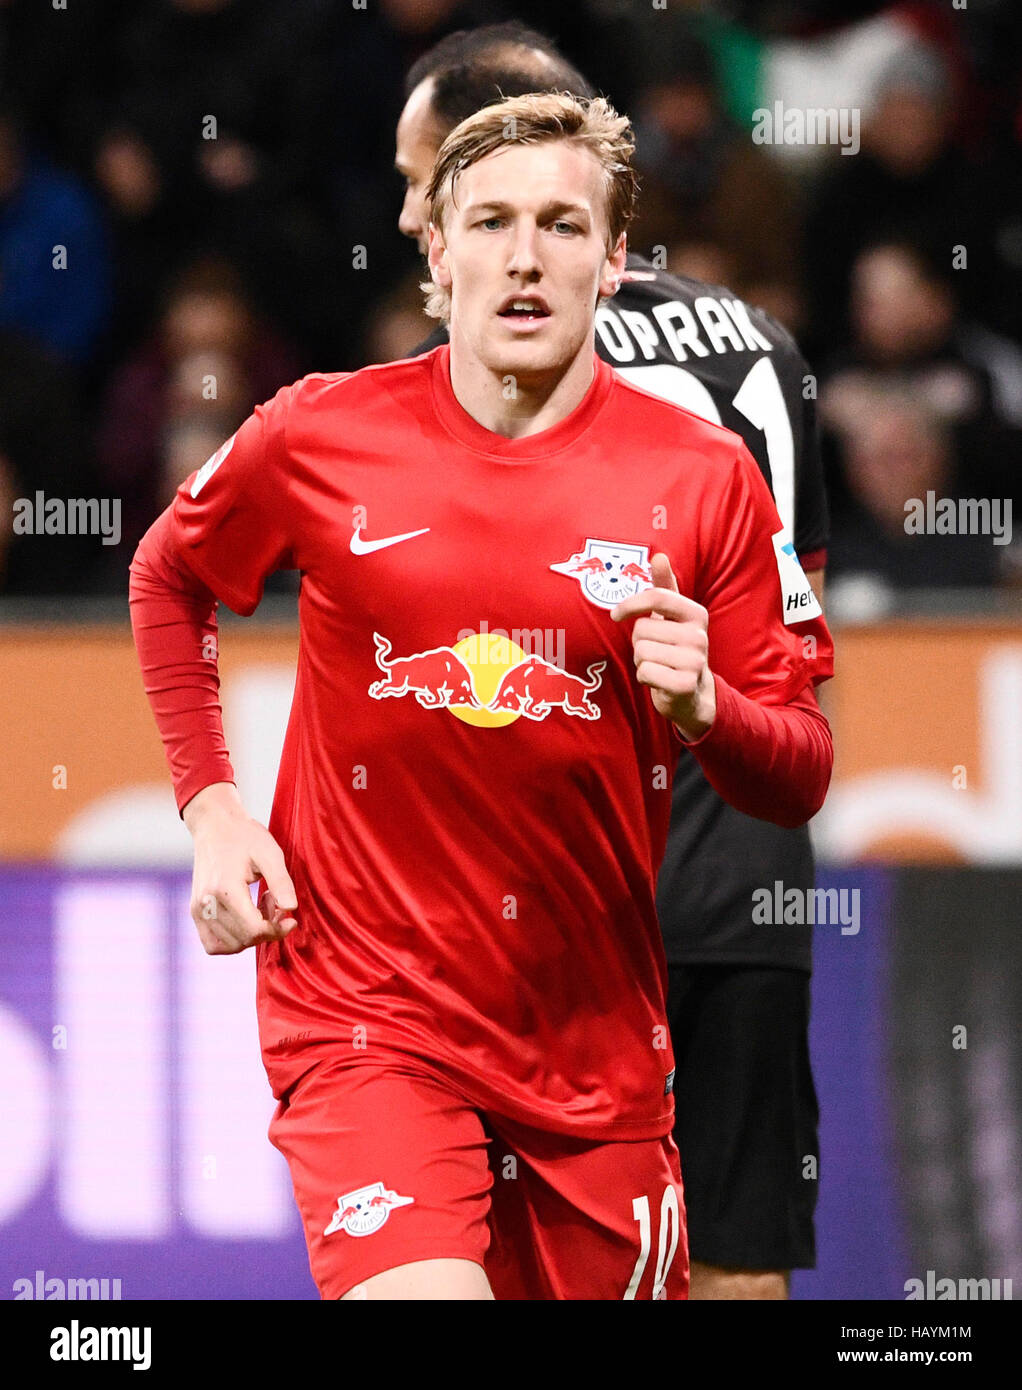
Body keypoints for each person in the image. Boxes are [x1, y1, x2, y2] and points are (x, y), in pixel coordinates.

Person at [130, 91, 833, 1301]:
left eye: (562, 225)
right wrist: (213, 812)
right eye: (491, 222)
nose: (523, 257)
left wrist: (710, 709)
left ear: (613, 260)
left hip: (592, 1056)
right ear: (435, 251)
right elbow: (168, 576)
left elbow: (799, 766)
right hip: (367, 1018)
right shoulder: (320, 434)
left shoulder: (704, 480)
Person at [396, 24, 829, 1299]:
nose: (424, 219)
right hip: (742, 885)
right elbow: (792, 648)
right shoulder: (763, 346)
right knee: (738, 1259)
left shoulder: (481, 373)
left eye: (429, 180)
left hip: (553, 899)